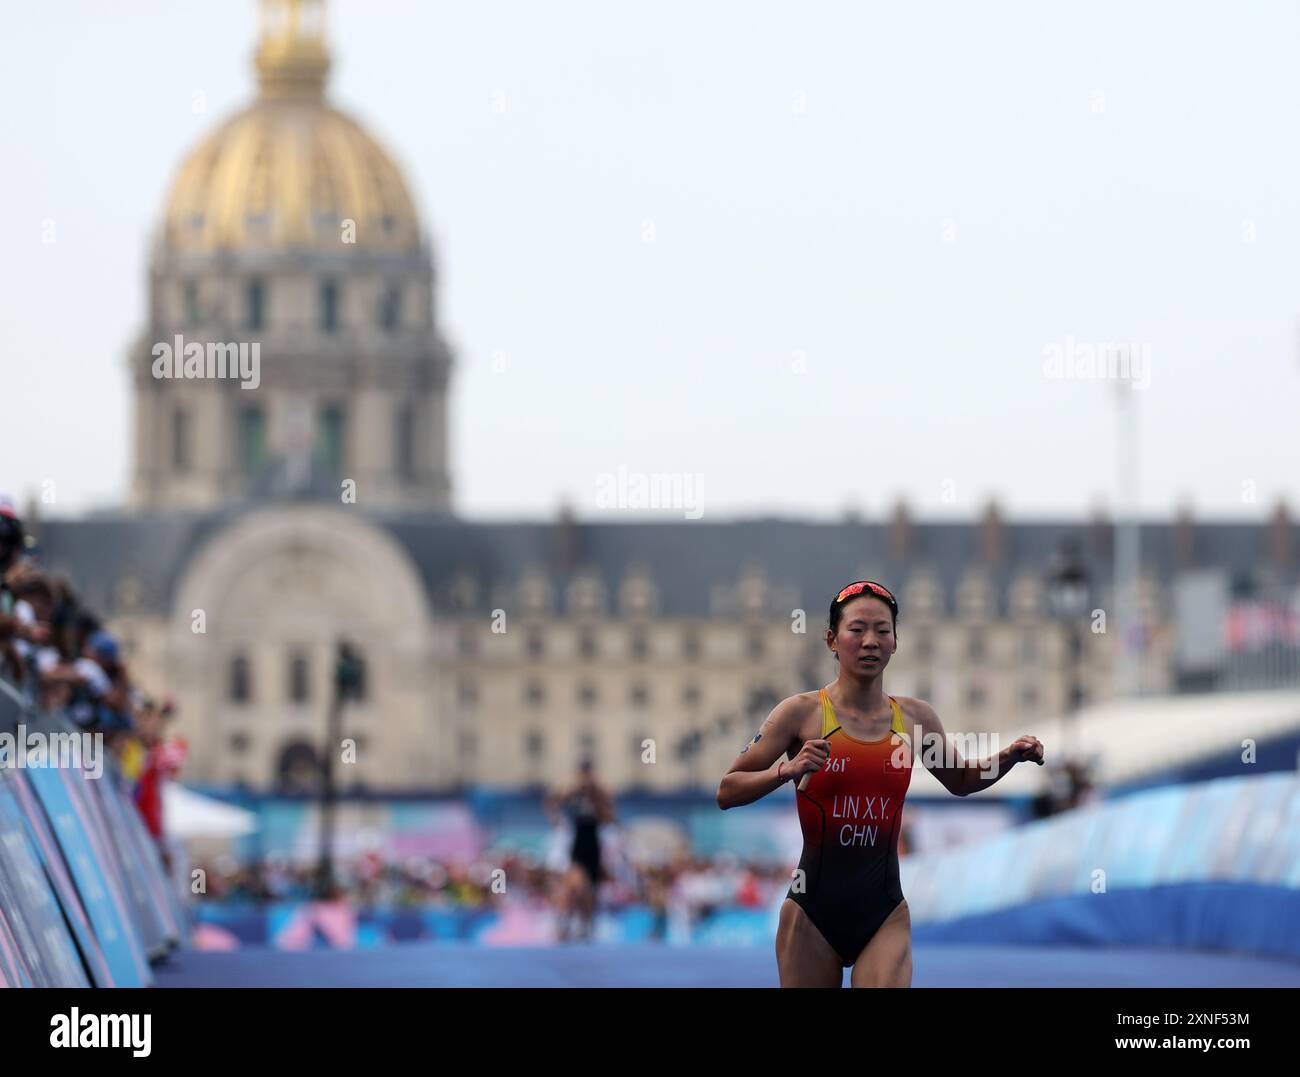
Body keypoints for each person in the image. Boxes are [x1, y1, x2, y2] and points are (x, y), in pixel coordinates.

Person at [717, 579, 1045, 988]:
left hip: (884, 912)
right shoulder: (799, 714)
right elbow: (727, 790)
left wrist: (1008, 757)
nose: (870, 641)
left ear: (895, 642)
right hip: (811, 913)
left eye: (882, 630)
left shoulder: (914, 719)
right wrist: (786, 770)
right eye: (857, 630)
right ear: (832, 640)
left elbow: (960, 780)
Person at [545, 760, 614, 942]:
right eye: (583, 774)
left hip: (594, 847)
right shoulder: (573, 793)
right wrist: (558, 807)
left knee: (588, 892)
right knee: (574, 887)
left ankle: (587, 926)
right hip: (577, 847)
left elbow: (609, 818)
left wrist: (596, 798)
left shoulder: (600, 793)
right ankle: (564, 926)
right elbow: (551, 803)